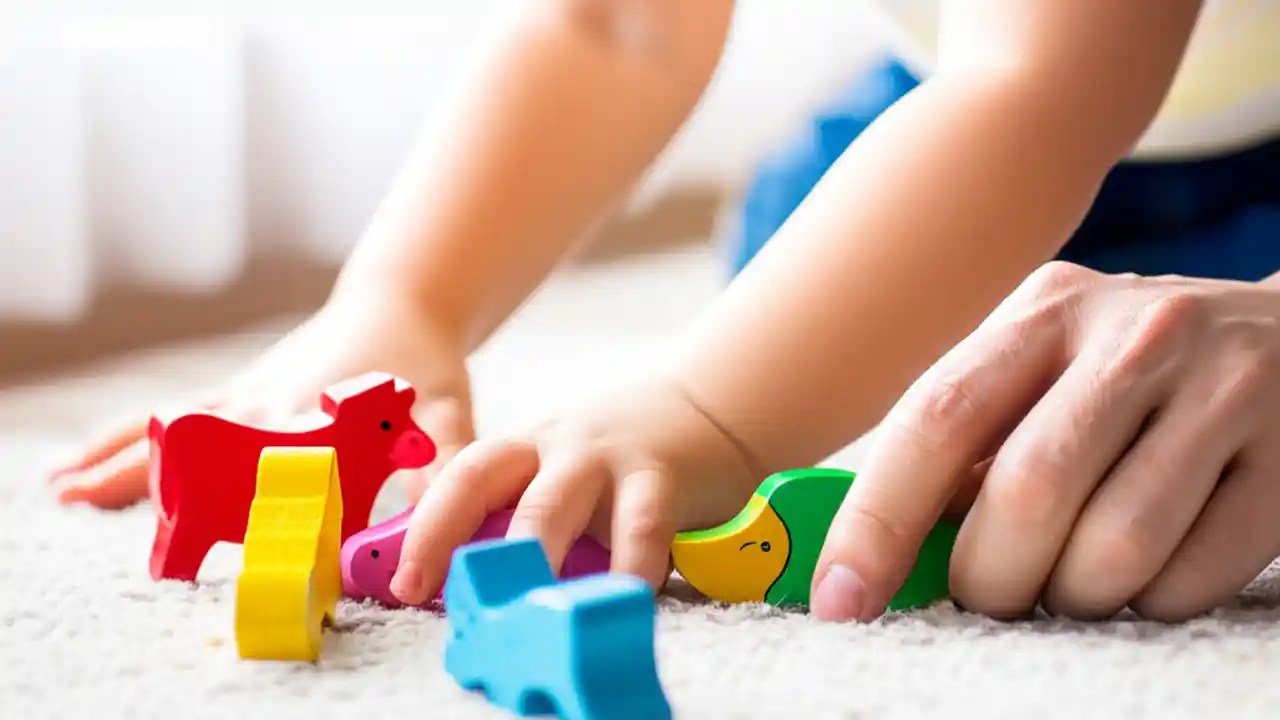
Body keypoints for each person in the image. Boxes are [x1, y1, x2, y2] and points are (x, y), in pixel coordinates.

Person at [51, 0, 1280, 623]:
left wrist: (705, 417)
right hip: (959, 92)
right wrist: (397, 302)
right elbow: (619, 29)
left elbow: (1043, 86)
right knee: (794, 234)